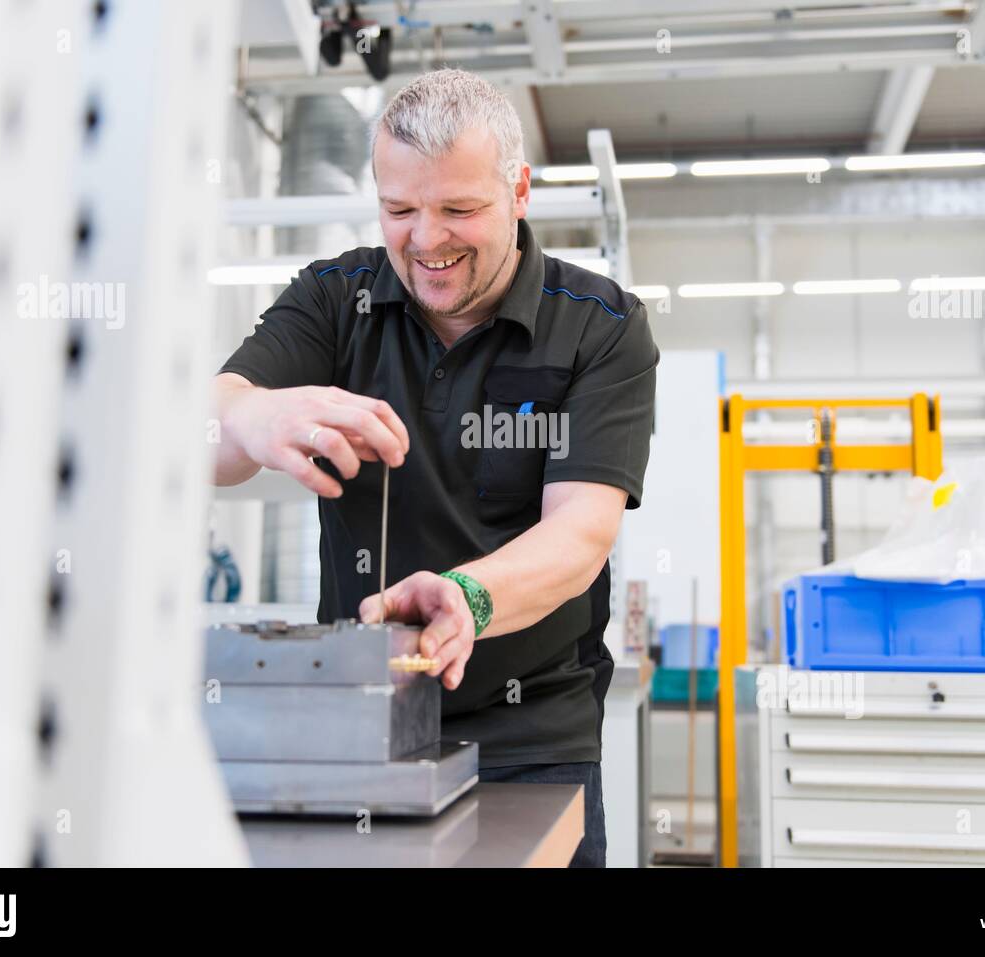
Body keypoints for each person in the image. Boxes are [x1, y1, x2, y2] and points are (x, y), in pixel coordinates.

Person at [212, 68, 657, 867]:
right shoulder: (332, 299)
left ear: (519, 191)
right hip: (362, 727)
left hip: (534, 742)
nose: (426, 239)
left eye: (459, 209)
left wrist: (469, 598)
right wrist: (248, 414)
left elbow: (581, 534)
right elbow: (205, 433)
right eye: (399, 210)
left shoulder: (601, 327)